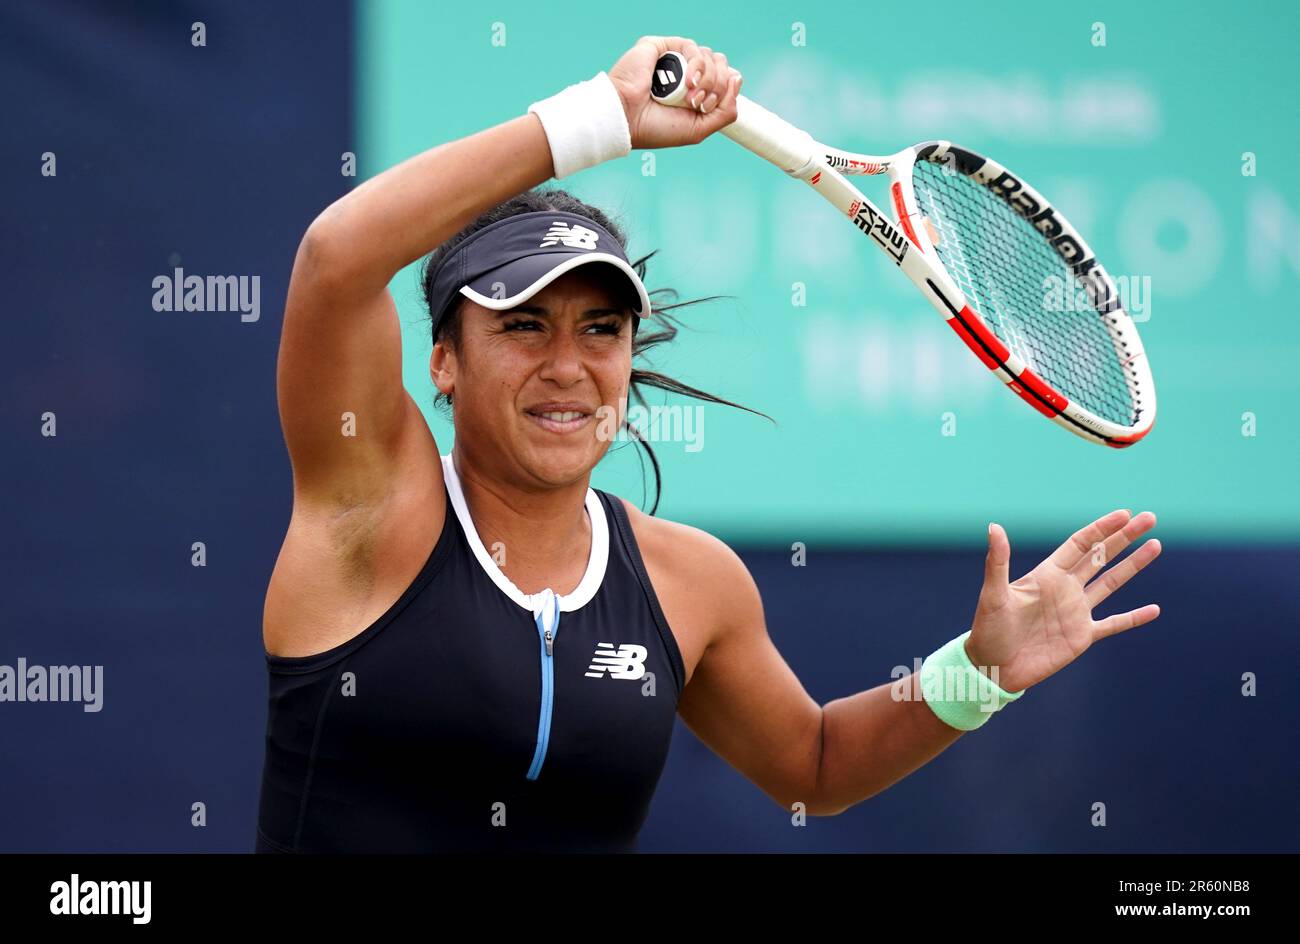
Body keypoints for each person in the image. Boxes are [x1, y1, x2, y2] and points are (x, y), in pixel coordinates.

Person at [254, 35, 1163, 853]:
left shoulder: (693, 583)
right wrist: (601, 119)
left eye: (601, 329)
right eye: (524, 327)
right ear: (444, 361)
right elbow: (337, 261)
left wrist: (978, 673)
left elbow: (815, 764)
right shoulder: (372, 508)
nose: (568, 366)